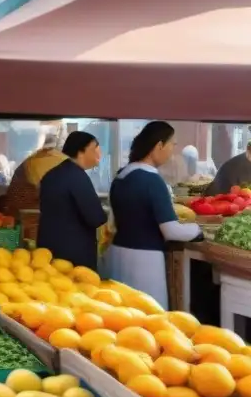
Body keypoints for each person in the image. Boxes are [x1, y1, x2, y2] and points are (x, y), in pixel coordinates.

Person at [106, 121, 201, 308]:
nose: (172, 151)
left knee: (119, 316)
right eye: (172, 145)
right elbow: (171, 231)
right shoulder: (152, 180)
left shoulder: (121, 175)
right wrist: (197, 230)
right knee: (149, 320)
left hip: (116, 255)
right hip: (145, 262)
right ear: (159, 145)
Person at [36, 131, 108, 270]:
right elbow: (95, 217)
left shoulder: (53, 174)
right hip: (73, 255)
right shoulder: (77, 177)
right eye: (95, 149)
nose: (99, 154)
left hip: (48, 250)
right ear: (81, 151)